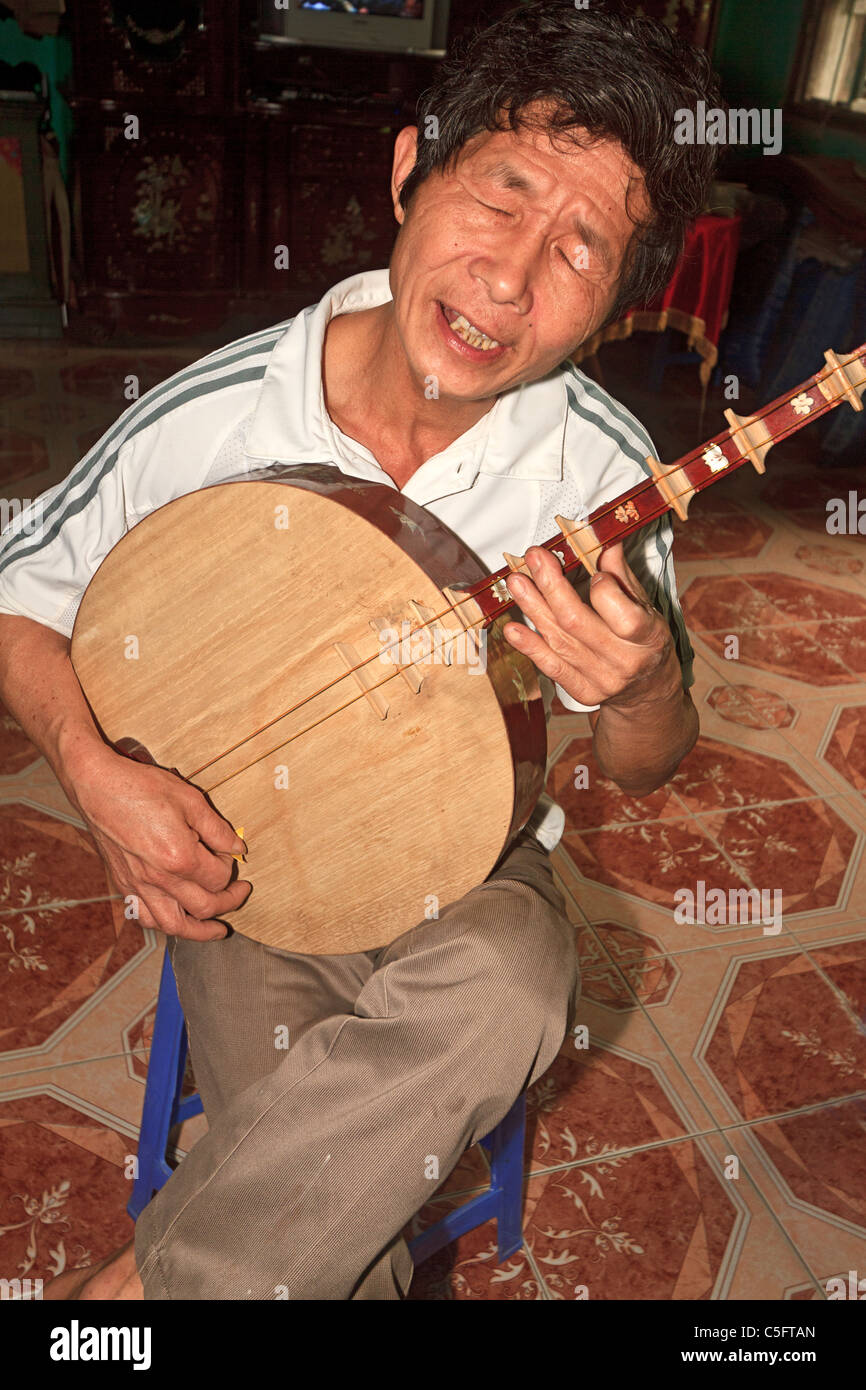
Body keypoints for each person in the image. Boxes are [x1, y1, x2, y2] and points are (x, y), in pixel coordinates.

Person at [0, 0, 717, 1299]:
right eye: (500, 194)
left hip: (463, 859)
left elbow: (652, 764)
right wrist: (97, 776)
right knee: (335, 1238)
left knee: (515, 975)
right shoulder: (219, 408)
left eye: (579, 245)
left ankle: (148, 1290)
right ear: (407, 172)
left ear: (616, 301)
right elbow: (14, 591)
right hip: (253, 871)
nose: (509, 275)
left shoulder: (604, 469)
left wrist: (647, 681)